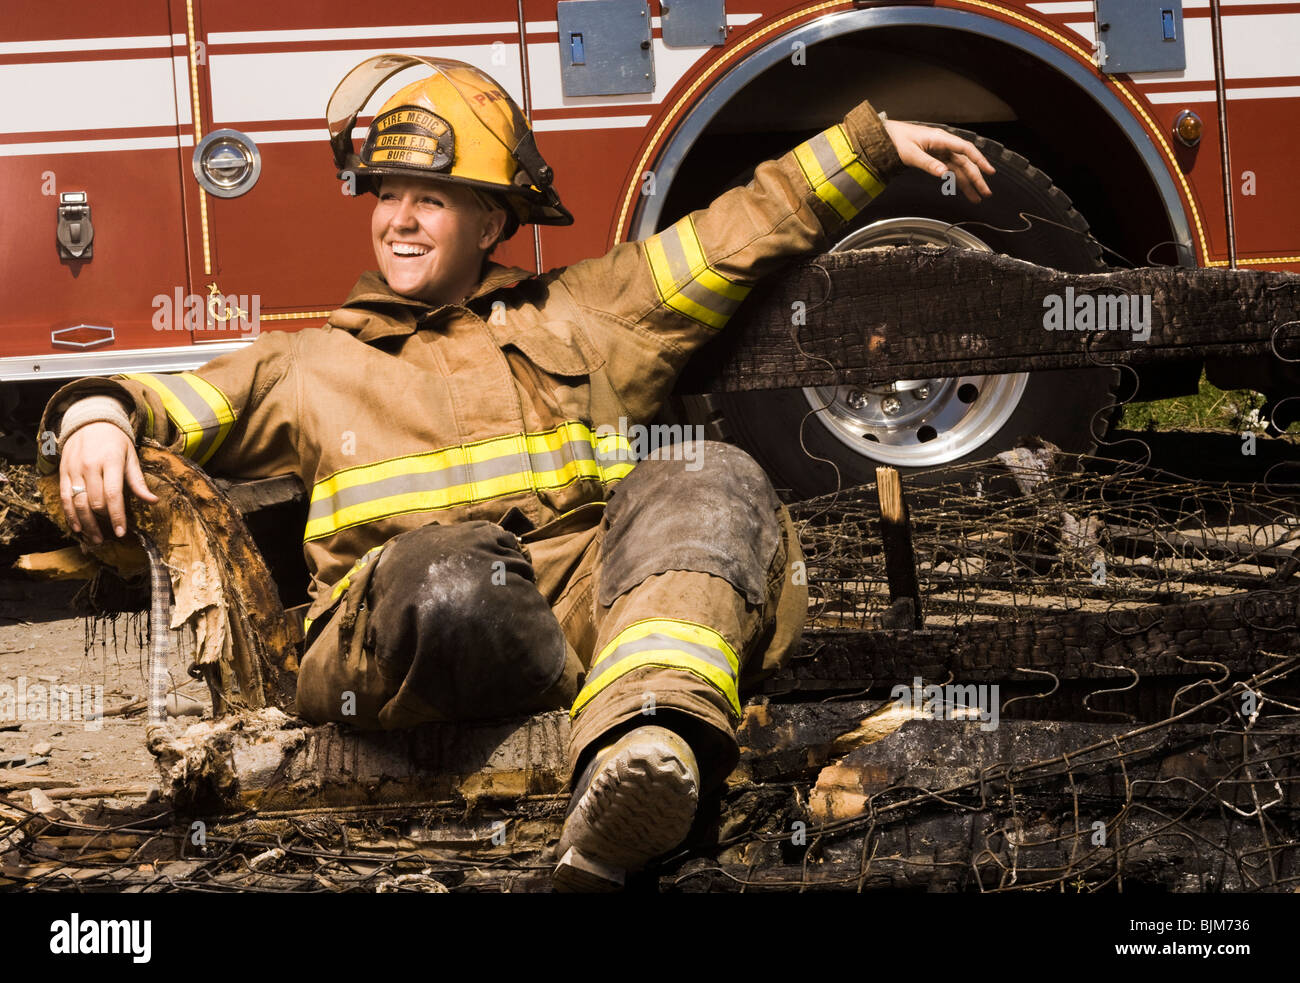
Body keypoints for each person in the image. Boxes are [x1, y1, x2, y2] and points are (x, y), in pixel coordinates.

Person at [40, 55, 993, 890]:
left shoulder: (586, 313)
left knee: (710, 473)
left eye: (430, 199)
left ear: (490, 218)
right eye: (385, 197)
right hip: (406, 628)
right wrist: (93, 416)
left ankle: (647, 747)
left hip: (579, 615)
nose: (398, 222)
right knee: (456, 573)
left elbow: (737, 231)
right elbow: (175, 403)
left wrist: (866, 145)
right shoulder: (310, 363)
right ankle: (620, 750)